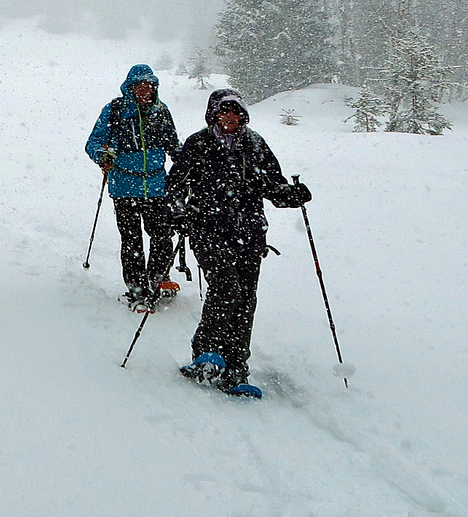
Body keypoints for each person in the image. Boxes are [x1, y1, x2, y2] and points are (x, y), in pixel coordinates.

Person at [166, 87, 311, 397]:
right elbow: (174, 186)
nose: (229, 116)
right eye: (223, 110)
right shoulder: (198, 144)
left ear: (242, 114)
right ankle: (206, 353)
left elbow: (274, 186)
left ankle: (235, 366)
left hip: (249, 234)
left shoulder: (255, 144)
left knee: (245, 300)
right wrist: (180, 213)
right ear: (213, 113)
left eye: (234, 111)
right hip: (208, 231)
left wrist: (292, 196)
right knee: (226, 288)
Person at [84, 64, 182, 309]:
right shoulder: (115, 110)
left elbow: (172, 143)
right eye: (139, 85)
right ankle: (137, 290)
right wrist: (101, 155)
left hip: (157, 185)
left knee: (162, 235)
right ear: (130, 87)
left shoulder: (161, 110)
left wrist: (188, 164)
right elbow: (93, 141)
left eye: (149, 85)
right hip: (124, 186)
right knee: (131, 240)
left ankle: (159, 279)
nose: (144, 90)